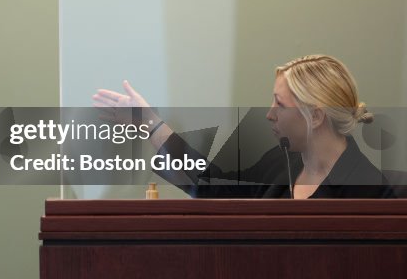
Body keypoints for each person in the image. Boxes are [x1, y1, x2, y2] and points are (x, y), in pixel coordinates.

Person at [93, 54, 396, 198]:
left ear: (315, 117)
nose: (269, 114)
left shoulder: (373, 191)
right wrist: (148, 122)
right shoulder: (279, 163)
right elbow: (212, 186)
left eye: (280, 104)